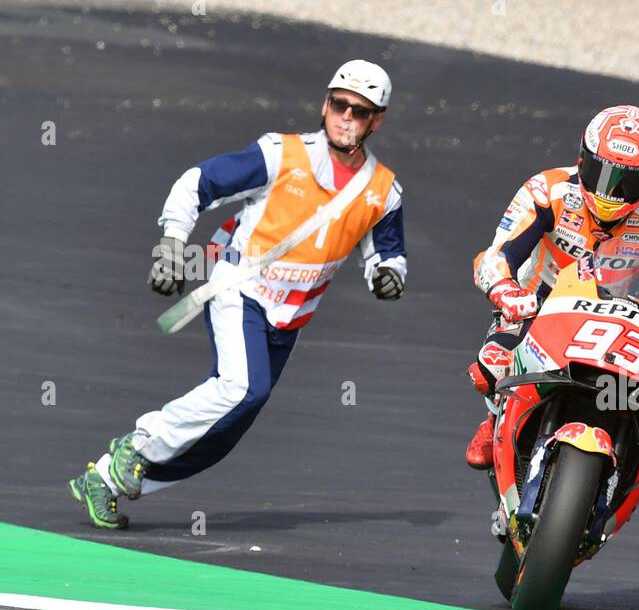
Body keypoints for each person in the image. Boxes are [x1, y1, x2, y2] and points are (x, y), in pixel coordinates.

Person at [68, 60, 407, 529]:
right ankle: (139, 443)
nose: (346, 116)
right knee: (243, 388)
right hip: (238, 287)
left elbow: (386, 255)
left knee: (228, 427)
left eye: (360, 110)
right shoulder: (281, 155)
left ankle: (107, 480)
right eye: (339, 104)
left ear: (378, 120)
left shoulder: (383, 191)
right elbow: (197, 183)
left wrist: (388, 276)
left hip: (290, 319)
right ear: (325, 103)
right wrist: (172, 246)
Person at [463, 104, 639, 560]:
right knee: (490, 365)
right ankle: (496, 418)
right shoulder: (546, 190)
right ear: (582, 158)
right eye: (600, 172)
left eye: (625, 182)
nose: (609, 192)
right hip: (541, 309)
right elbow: (495, 254)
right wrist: (505, 288)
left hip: (628, 322)